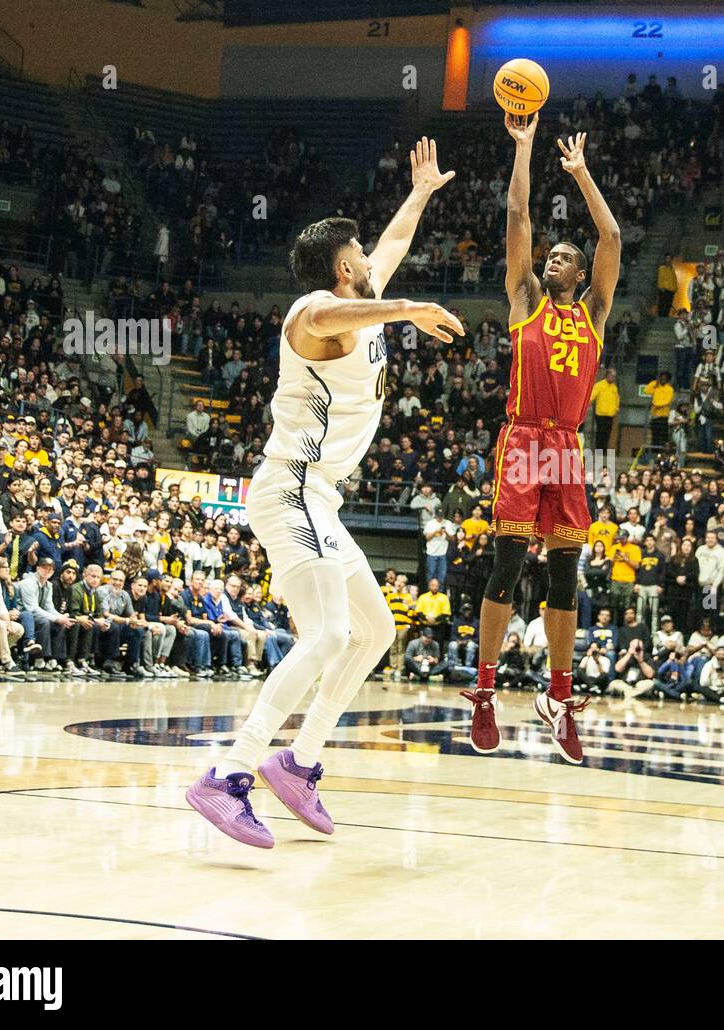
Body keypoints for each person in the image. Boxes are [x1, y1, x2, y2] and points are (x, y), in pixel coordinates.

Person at [187, 138, 465, 849]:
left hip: (322, 501)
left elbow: (395, 241)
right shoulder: (314, 311)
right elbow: (326, 318)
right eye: (363, 257)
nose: (375, 259)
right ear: (346, 270)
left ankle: (299, 761)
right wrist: (408, 307)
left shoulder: (363, 302)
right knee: (328, 634)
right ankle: (228, 773)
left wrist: (422, 192)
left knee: (375, 631)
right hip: (290, 491)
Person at [465, 114, 622, 765]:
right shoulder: (525, 296)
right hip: (523, 441)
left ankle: (558, 698)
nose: (551, 257)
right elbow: (517, 214)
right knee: (507, 564)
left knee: (566, 575)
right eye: (548, 254)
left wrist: (582, 172)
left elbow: (611, 233)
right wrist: (524, 148)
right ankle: (484, 690)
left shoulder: (593, 310)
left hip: (566, 447)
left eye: (564, 256)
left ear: (580, 273)